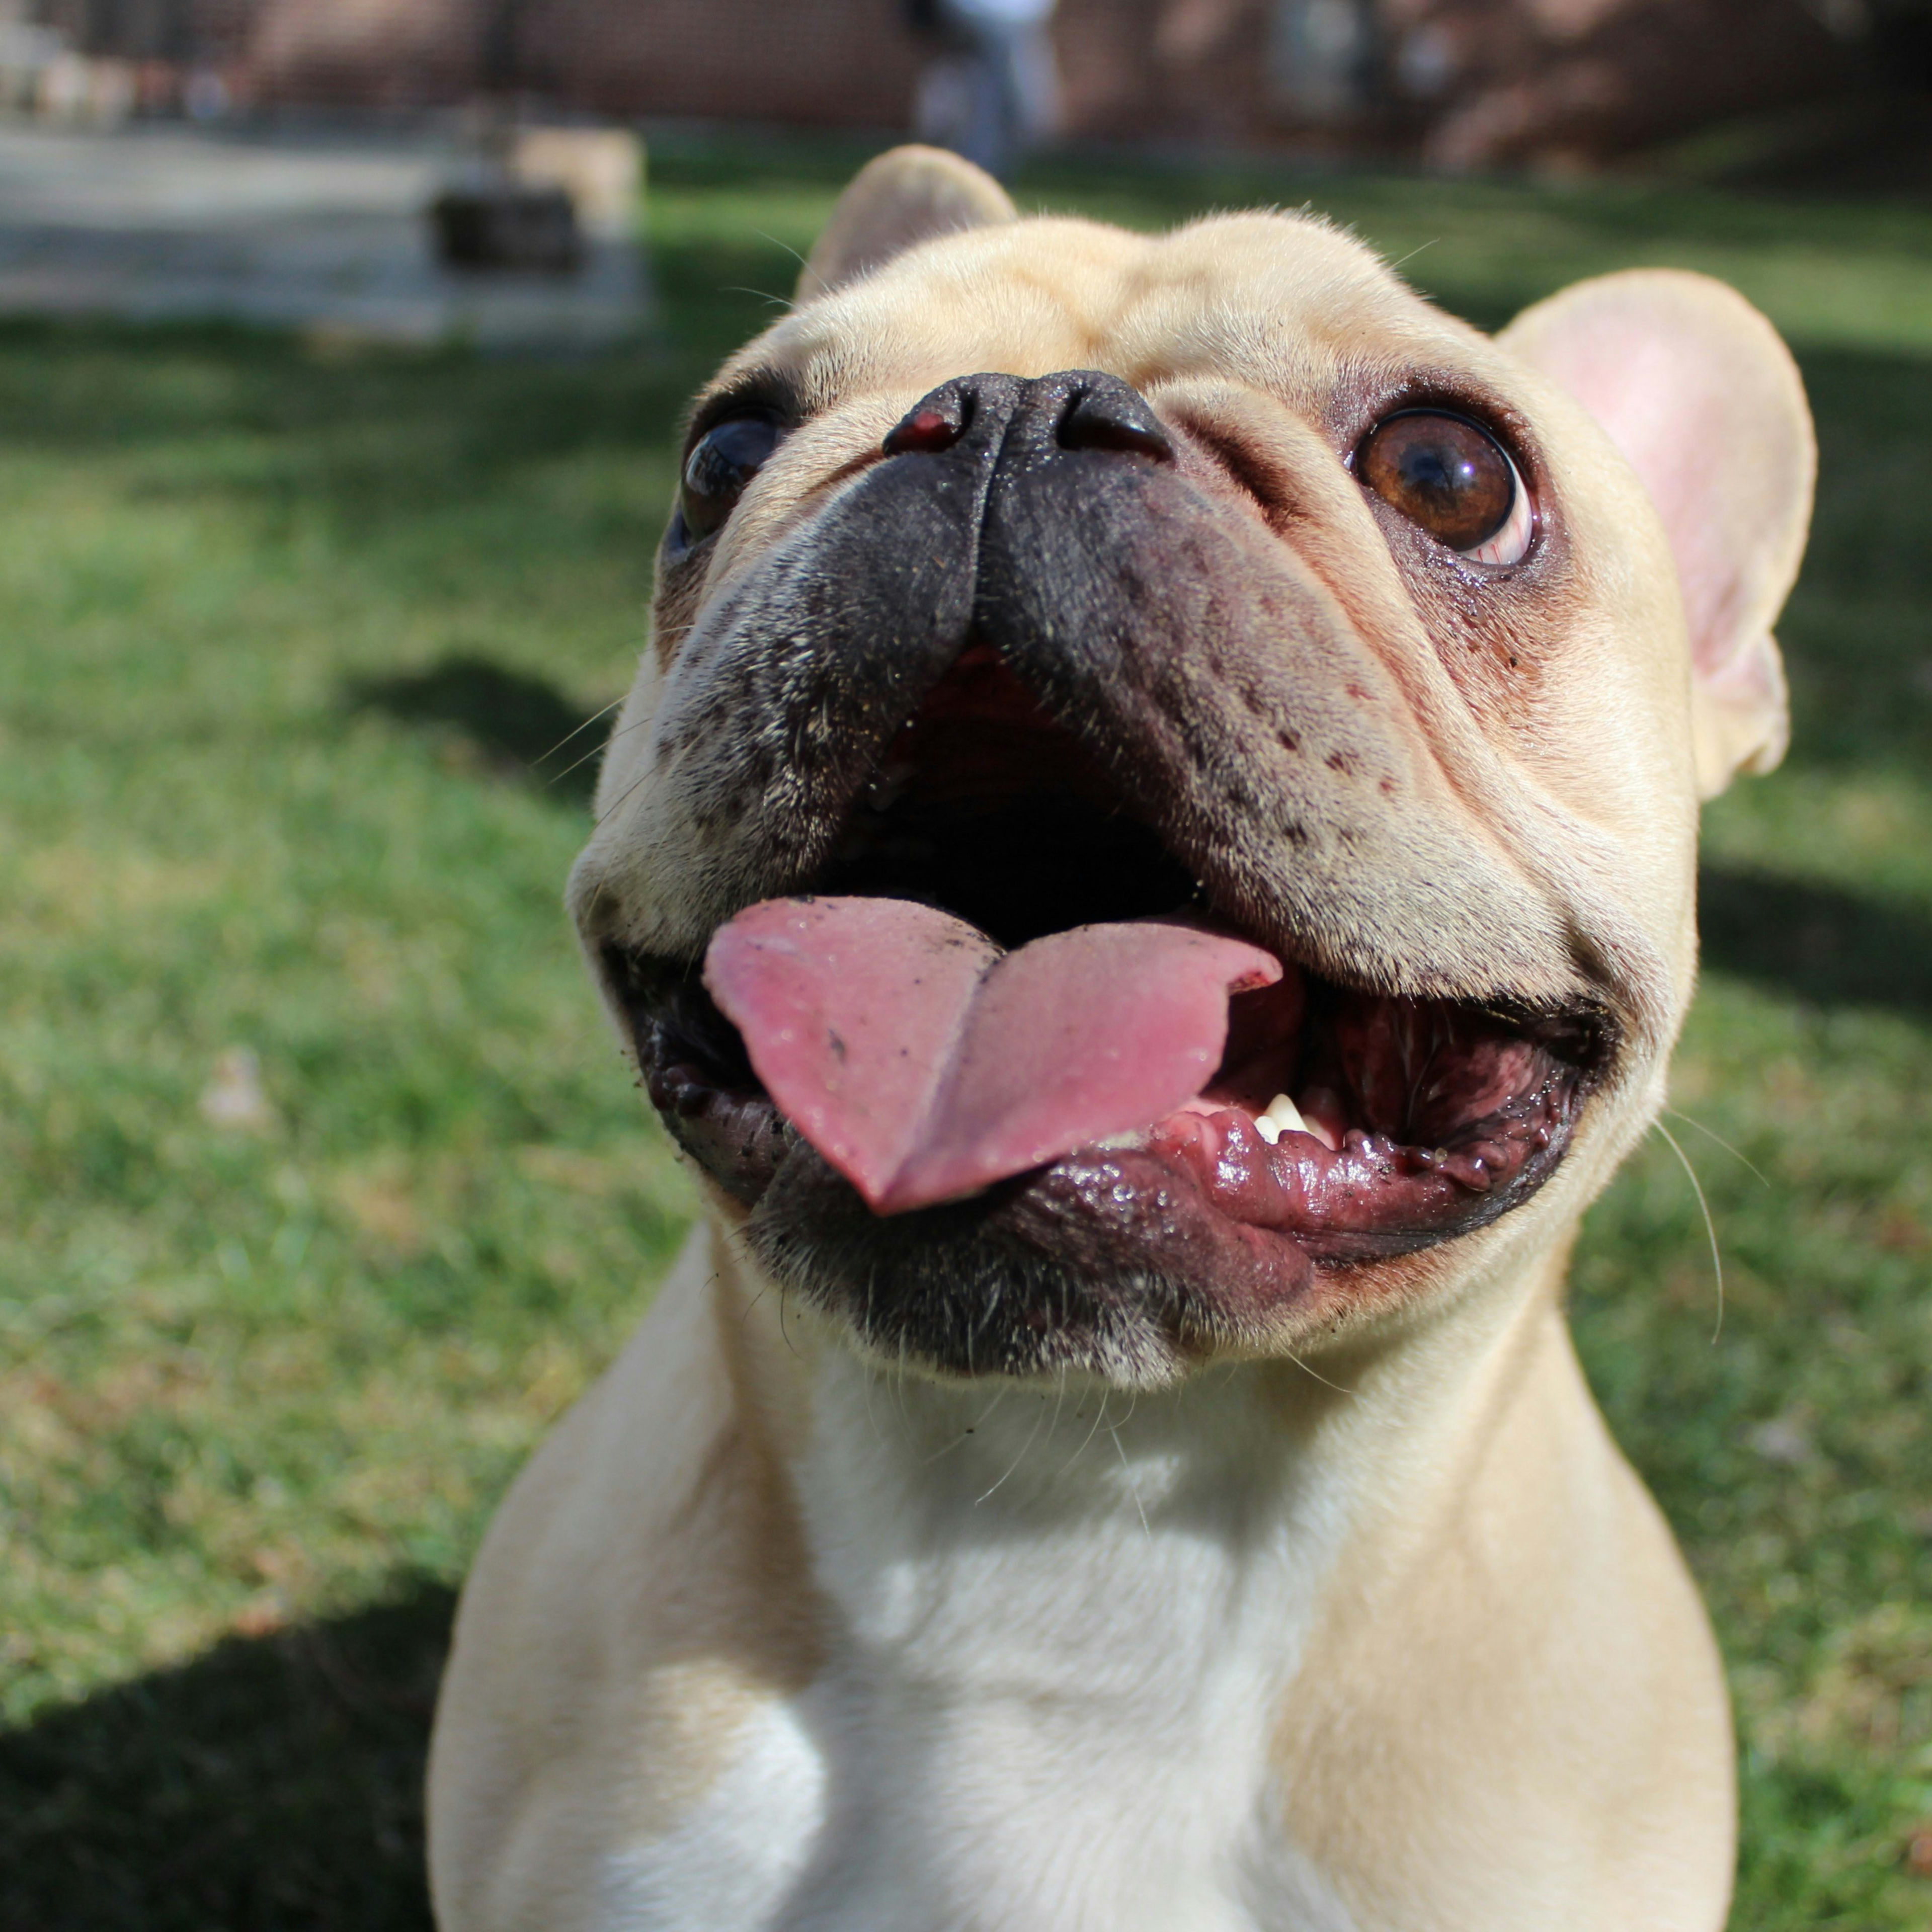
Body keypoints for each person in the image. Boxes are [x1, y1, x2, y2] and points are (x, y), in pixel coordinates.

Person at [909, 0, 1060, 182]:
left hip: (1017, 29)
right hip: (977, 23)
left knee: (1021, 109)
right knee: (984, 105)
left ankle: (986, 171)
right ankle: (971, 171)